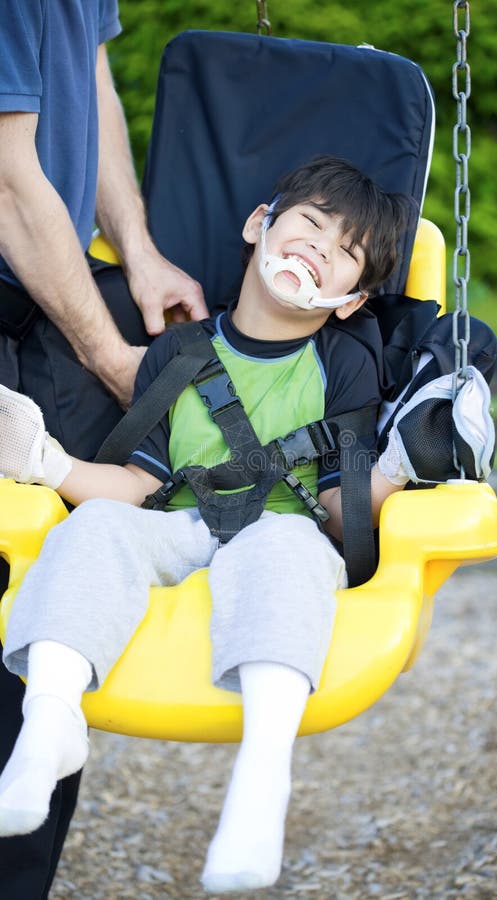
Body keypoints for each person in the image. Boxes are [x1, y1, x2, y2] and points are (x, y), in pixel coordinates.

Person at [0, 156, 414, 892]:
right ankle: (50, 721)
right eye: (310, 224)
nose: (320, 248)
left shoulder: (343, 362)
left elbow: (339, 511)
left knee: (284, 542)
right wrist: (46, 462)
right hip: (179, 523)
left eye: (344, 252)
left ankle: (263, 780)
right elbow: (135, 484)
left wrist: (405, 465)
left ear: (351, 298)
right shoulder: (179, 354)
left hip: (281, 534)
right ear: (261, 225)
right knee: (93, 526)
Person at [0, 3, 208, 896]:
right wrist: (109, 353)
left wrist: (139, 250)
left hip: (41, 282)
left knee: (51, 570)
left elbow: (89, 77)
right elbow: (8, 179)